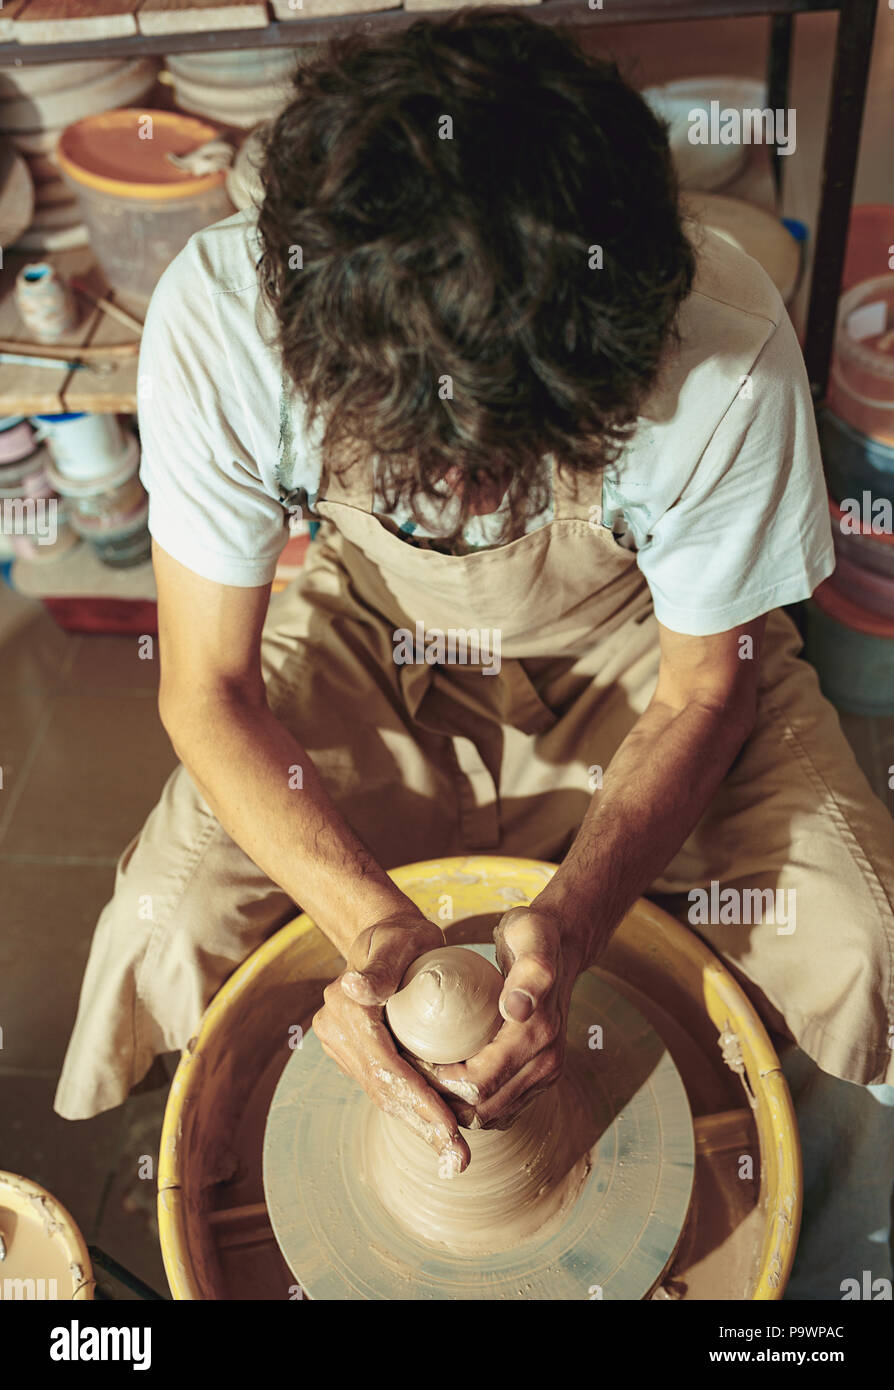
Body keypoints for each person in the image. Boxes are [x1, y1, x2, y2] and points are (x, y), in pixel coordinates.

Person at [55, 12, 894, 1299]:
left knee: (859, 940)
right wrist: (376, 931)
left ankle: (803, 1267)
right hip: (368, 635)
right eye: (421, 460)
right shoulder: (225, 317)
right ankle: (209, 1178)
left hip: (645, 652)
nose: (456, 489)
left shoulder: (719, 343)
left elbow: (702, 686)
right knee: (165, 930)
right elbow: (208, 689)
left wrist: (571, 918)